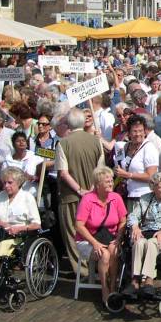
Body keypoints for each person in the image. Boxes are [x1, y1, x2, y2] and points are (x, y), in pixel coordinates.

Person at [55, 107, 106, 274]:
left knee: (73, 234)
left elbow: (63, 172)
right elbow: (100, 170)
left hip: (71, 197)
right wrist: (90, 189)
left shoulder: (63, 143)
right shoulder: (95, 141)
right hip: (93, 196)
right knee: (90, 232)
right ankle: (94, 267)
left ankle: (82, 272)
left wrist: (79, 190)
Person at [0, 167, 41, 293]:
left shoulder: (27, 197)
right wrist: (2, 223)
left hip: (18, 236)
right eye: (4, 183)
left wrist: (19, 228)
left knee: (3, 246)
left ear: (18, 182)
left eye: (10, 182)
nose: (6, 186)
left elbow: (37, 224)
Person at [74, 166, 127, 302]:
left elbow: (123, 221)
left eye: (111, 181)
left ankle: (113, 286)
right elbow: (79, 226)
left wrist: (119, 237)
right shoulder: (87, 199)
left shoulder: (116, 198)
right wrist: (94, 243)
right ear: (98, 185)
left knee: (113, 251)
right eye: (107, 181)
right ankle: (105, 289)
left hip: (110, 237)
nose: (111, 184)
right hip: (88, 239)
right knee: (105, 255)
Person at [113, 114, 160, 208]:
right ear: (128, 133)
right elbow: (119, 166)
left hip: (144, 197)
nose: (138, 134)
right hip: (127, 195)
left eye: (140, 131)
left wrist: (128, 175)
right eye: (134, 131)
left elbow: (152, 177)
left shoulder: (149, 148)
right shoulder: (123, 147)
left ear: (145, 132)